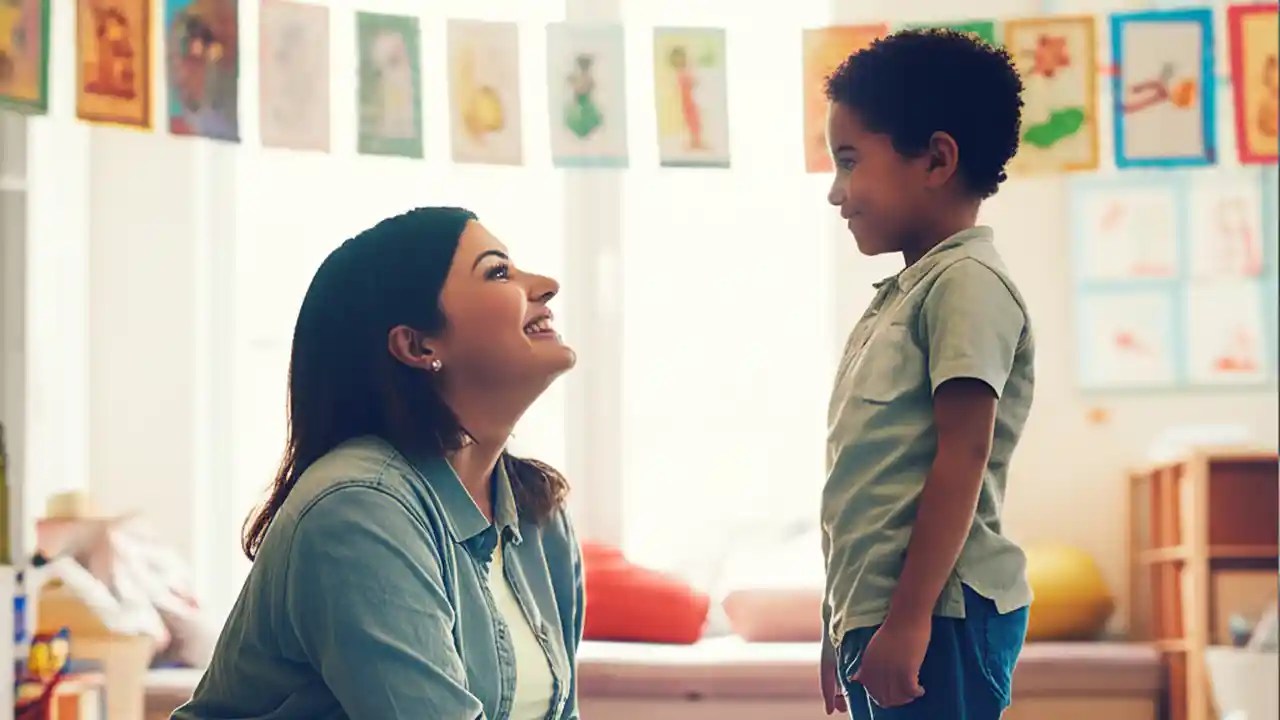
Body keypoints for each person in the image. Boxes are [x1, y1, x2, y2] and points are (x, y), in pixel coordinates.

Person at [172, 207, 584, 720]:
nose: (546, 285)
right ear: (417, 344)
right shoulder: (359, 510)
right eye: (498, 271)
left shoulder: (536, 509)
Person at [816, 29, 1033, 720]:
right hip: (892, 611)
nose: (836, 192)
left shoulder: (967, 282)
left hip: (943, 612)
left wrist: (908, 621)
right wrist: (842, 619)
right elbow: (868, 482)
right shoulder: (901, 296)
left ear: (937, 159)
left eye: (850, 161)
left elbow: (962, 453)